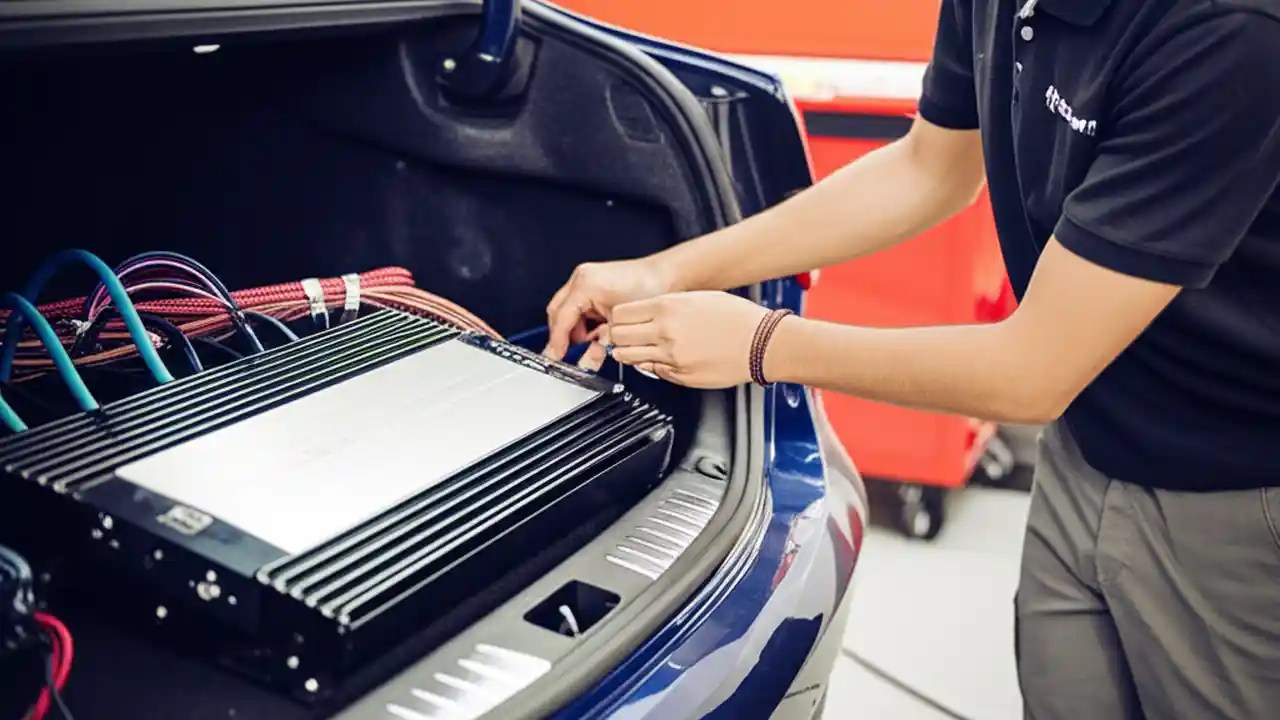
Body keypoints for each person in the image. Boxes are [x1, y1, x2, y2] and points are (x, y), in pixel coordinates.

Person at [541, 0, 1280, 717]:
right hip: (1089, 445)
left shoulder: (1227, 29)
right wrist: (670, 270)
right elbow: (931, 168)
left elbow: (1032, 373)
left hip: (1236, 494)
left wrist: (761, 344)